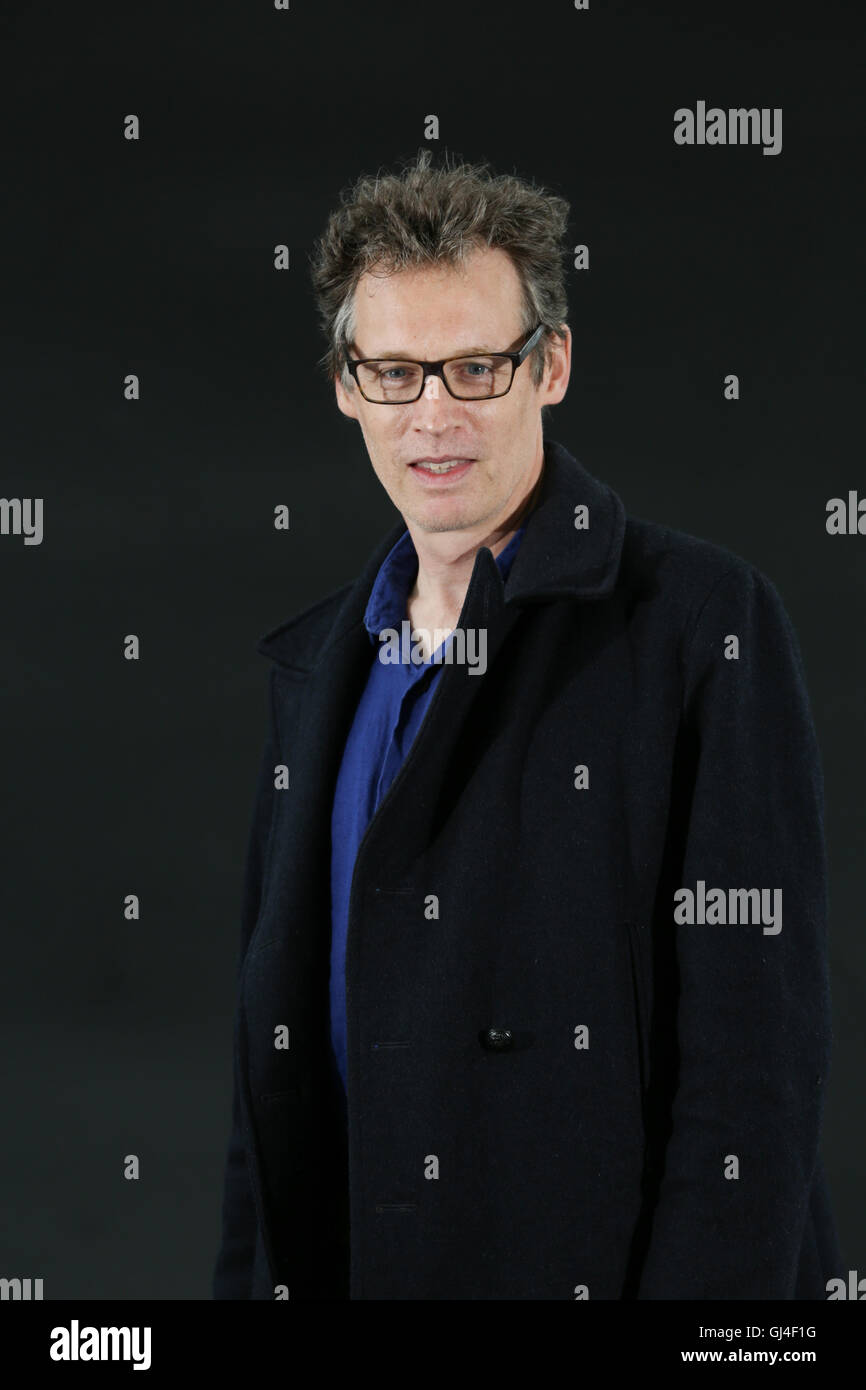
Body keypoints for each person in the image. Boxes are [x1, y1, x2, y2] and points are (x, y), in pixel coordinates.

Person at [212, 148, 843, 1300]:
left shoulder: (700, 625)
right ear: (346, 385)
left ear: (548, 364)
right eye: (395, 373)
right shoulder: (314, 670)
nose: (433, 416)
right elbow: (272, 1081)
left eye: (473, 367)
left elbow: (755, 1070)